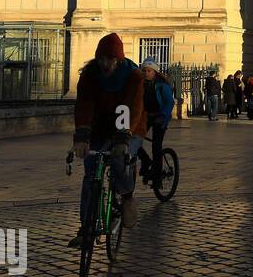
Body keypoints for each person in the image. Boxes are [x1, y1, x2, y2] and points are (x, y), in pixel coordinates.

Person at [69, 33, 146, 246]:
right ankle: (86, 227)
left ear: (118, 59)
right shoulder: (89, 75)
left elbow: (131, 107)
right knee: (91, 171)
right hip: (101, 126)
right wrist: (82, 136)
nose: (105, 64)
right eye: (102, 59)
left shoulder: (133, 76)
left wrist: (123, 138)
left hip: (131, 125)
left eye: (110, 60)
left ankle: (127, 197)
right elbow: (84, 105)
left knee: (120, 160)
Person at [137, 58, 174, 196]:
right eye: (144, 70)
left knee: (156, 146)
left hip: (160, 117)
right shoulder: (140, 84)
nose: (146, 73)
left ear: (155, 72)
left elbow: (169, 103)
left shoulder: (162, 85)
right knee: (134, 140)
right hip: (146, 116)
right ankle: (146, 160)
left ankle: (157, 177)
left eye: (149, 71)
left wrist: (163, 116)